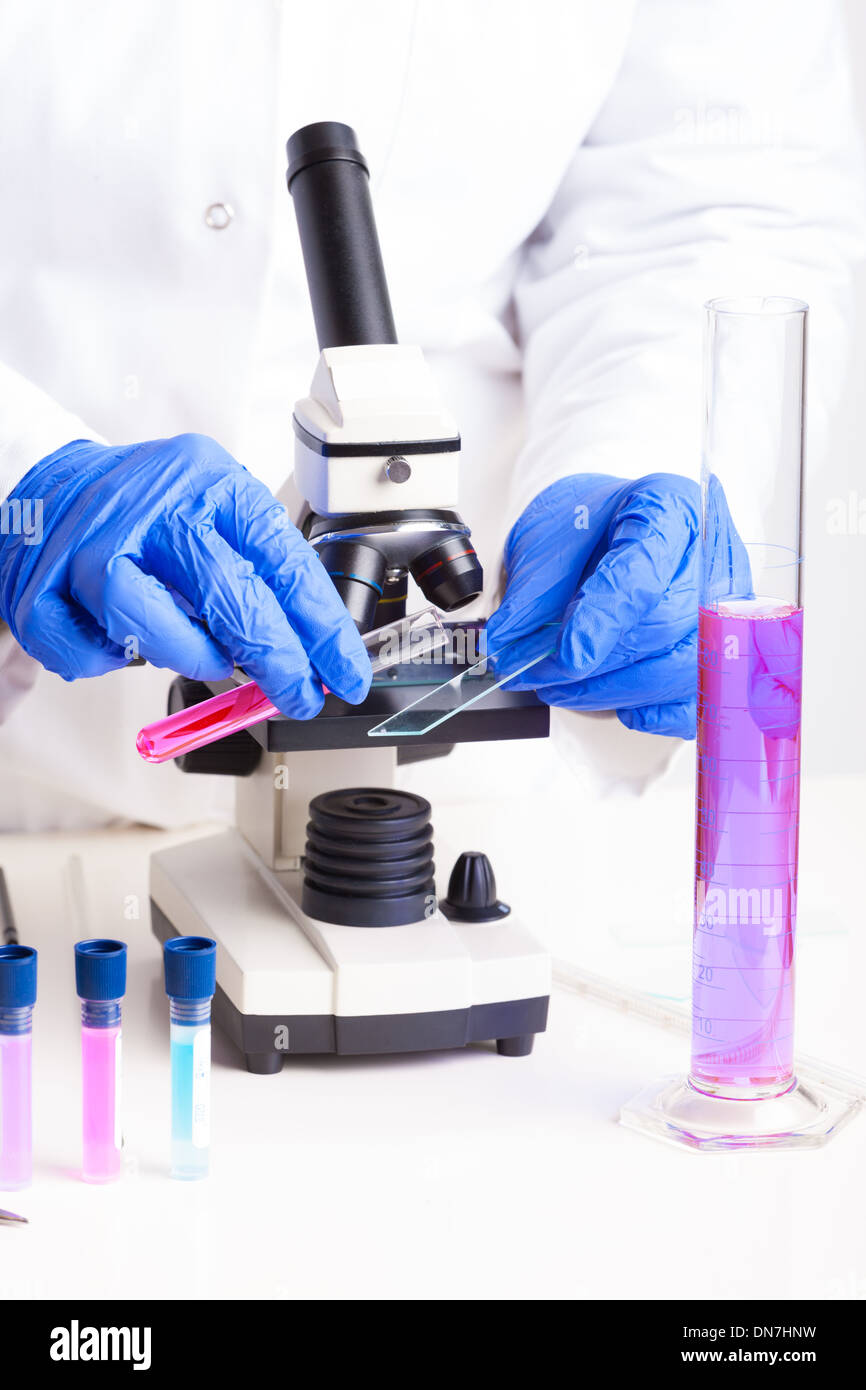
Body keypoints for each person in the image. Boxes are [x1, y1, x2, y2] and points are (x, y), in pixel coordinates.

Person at [0, 0, 863, 831]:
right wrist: (22, 477)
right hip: (27, 793)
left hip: (482, 803)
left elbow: (709, 204)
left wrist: (636, 469)